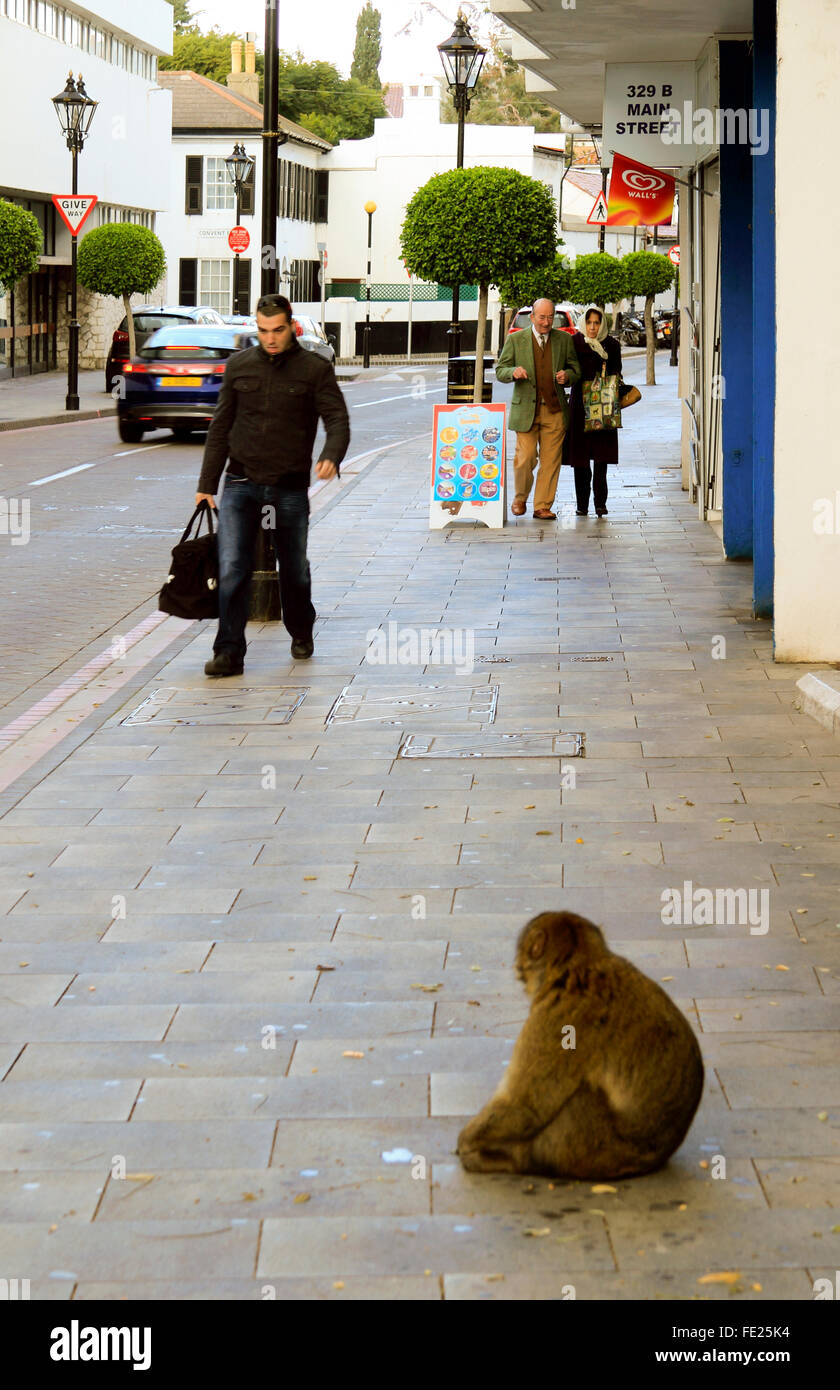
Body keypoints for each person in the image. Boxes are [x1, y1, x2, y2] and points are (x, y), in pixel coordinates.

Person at [195, 294, 350, 675]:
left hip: (289, 487)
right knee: (233, 567)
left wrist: (331, 454)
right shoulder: (239, 366)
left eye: (277, 330)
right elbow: (220, 427)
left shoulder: (313, 369)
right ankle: (229, 651)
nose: (270, 338)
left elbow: (337, 419)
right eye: (263, 331)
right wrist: (206, 484)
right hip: (240, 483)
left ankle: (300, 628)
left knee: (294, 568)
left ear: (291, 326)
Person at [495, 298, 581, 519]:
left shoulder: (564, 339)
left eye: (550, 317)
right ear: (532, 317)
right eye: (541, 317)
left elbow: (575, 369)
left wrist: (567, 376)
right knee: (525, 457)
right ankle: (521, 497)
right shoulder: (516, 340)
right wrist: (513, 372)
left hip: (555, 410)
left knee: (551, 460)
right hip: (526, 410)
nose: (546, 322)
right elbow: (500, 370)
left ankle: (542, 505)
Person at [565, 304, 623, 518]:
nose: (592, 327)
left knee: (601, 458)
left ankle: (600, 503)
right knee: (580, 458)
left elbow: (617, 371)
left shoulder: (611, 345)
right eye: (589, 322)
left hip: (603, 405)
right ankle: (582, 504)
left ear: (602, 324)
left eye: (596, 323)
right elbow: (570, 369)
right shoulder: (575, 343)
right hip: (580, 406)